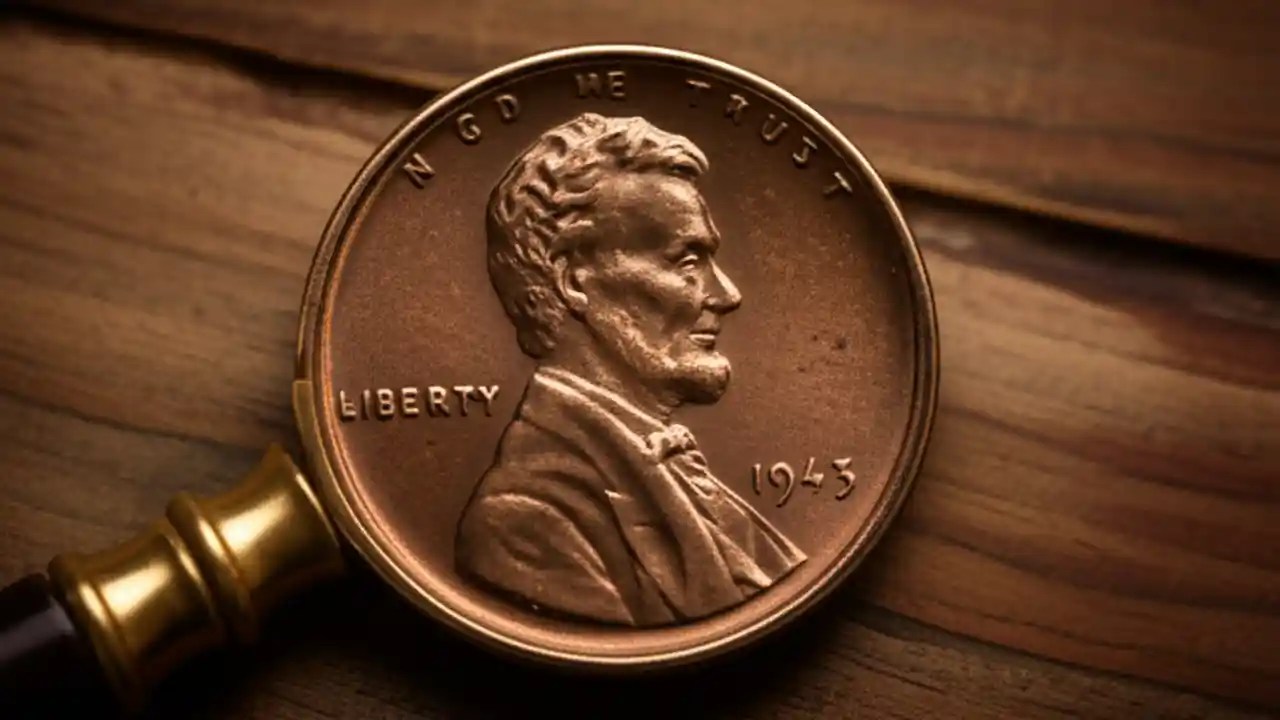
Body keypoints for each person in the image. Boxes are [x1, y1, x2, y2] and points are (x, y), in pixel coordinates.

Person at [454, 113, 806, 627]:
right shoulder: (524, 519)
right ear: (572, 278)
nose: (726, 294)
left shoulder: (666, 465)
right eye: (687, 262)